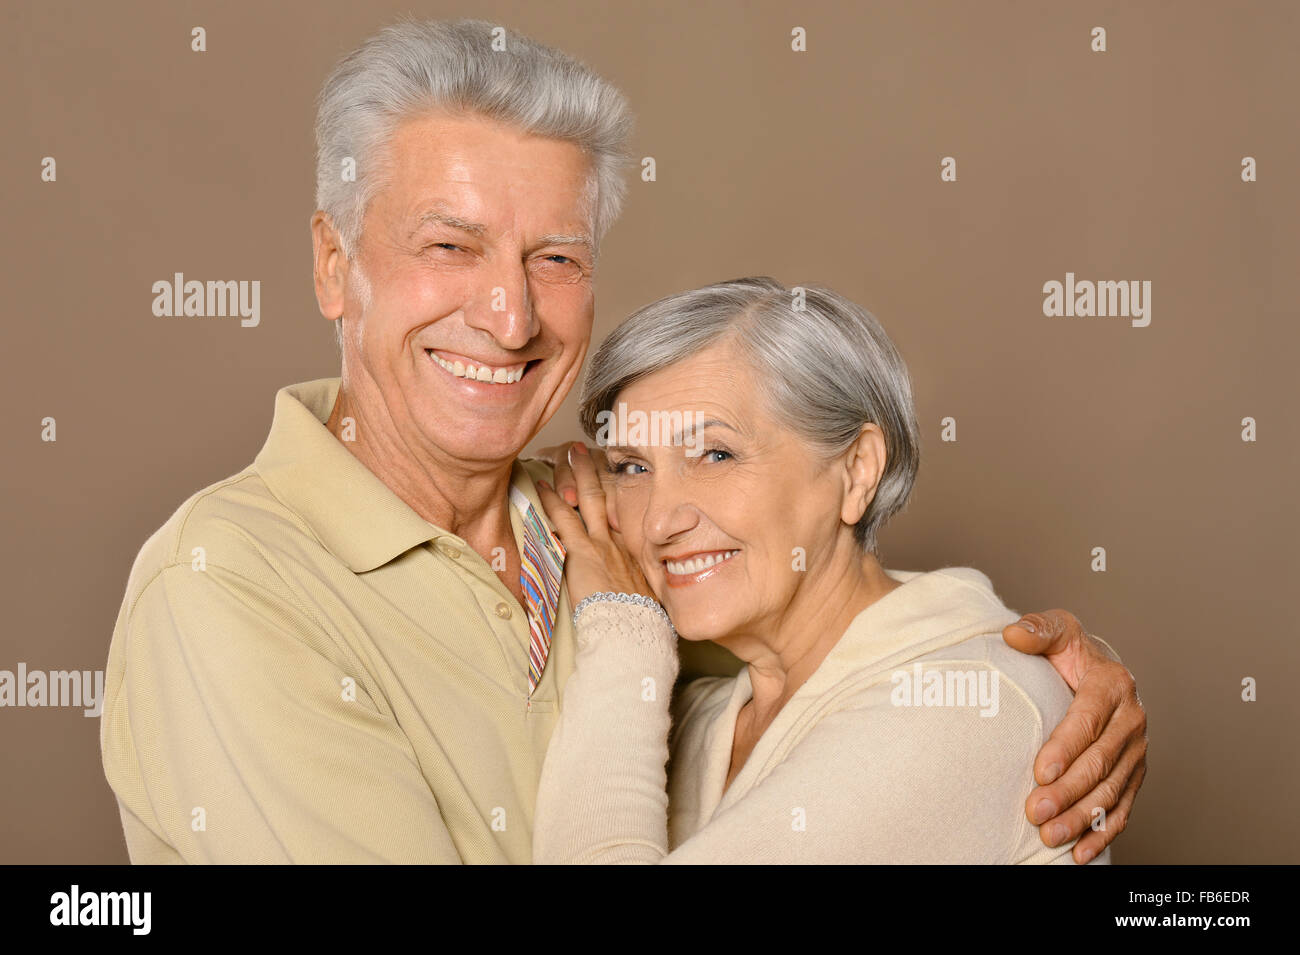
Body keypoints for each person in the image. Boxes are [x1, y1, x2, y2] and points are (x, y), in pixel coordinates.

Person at [100, 20, 1145, 864]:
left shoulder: (602, 514)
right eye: (449, 246)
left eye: (554, 256)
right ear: (335, 265)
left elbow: (831, 629)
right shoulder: (230, 587)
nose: (509, 317)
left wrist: (1035, 671)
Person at [533, 278, 1130, 863]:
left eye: (716, 454)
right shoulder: (705, 716)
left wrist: (624, 628)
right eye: (633, 468)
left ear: (857, 471)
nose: (659, 522)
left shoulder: (964, 709)